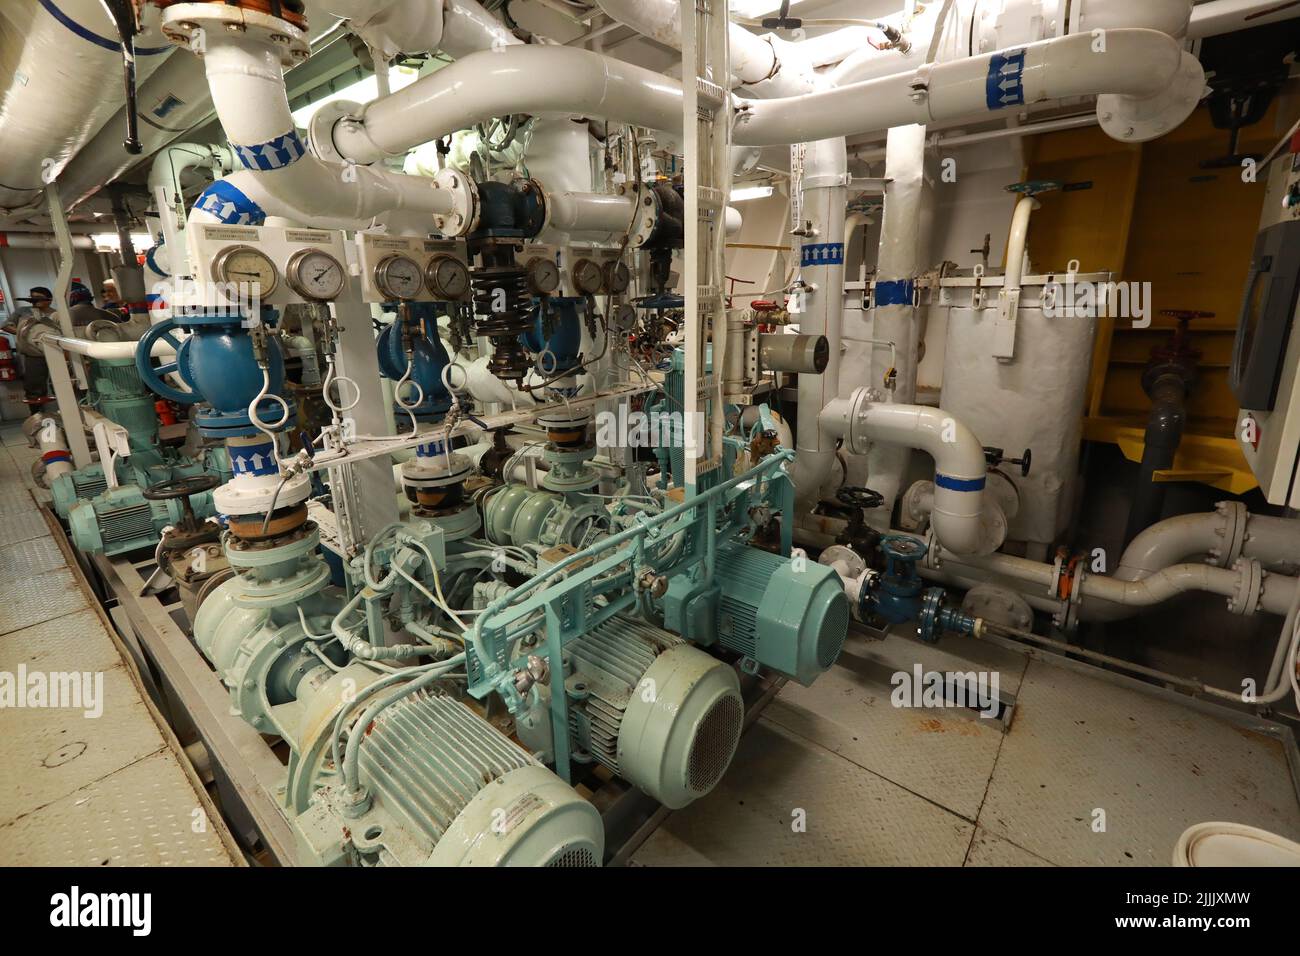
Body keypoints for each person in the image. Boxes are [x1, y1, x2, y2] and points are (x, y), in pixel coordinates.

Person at [2, 286, 57, 401]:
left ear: (49, 299)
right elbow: (5, 326)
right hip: (33, 355)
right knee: (34, 389)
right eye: (32, 297)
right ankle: (37, 414)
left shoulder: (56, 314)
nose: (34, 301)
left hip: (55, 353)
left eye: (38, 298)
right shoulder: (23, 312)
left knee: (60, 383)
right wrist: (25, 333)